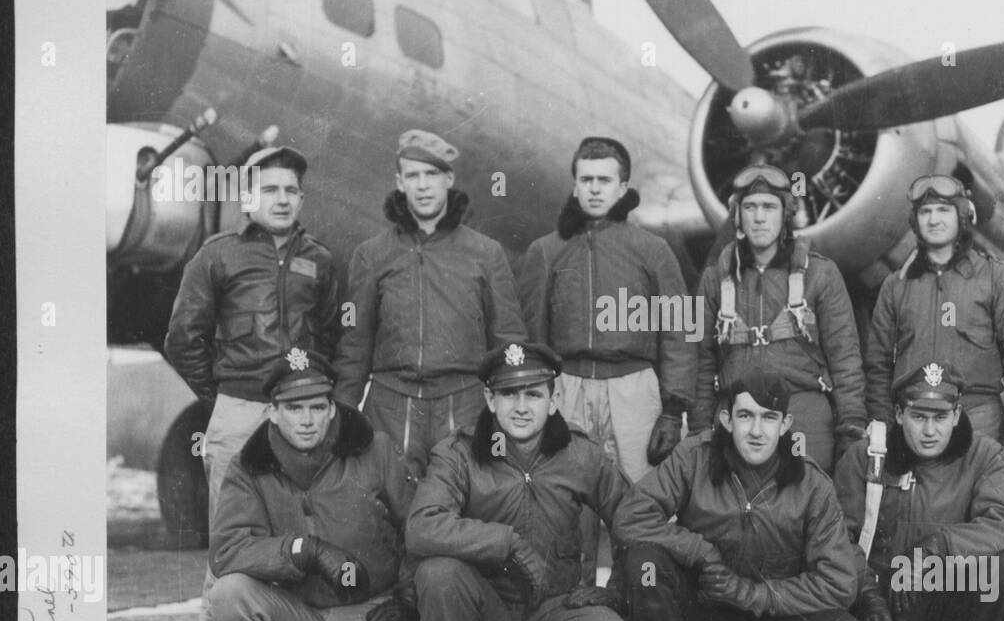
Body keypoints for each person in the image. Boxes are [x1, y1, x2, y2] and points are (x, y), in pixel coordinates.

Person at [163, 145, 343, 621]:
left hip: (305, 416)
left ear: (301, 198)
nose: (282, 199)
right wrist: (228, 401)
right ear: (247, 197)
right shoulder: (217, 257)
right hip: (241, 413)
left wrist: (314, 403)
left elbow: (334, 340)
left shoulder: (322, 259)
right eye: (270, 190)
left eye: (291, 190)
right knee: (230, 549)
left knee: (308, 535)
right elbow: (183, 337)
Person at [614, 370, 874, 621]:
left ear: (786, 425)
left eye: (769, 418)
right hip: (706, 605)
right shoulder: (695, 456)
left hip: (770, 617)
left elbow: (838, 581)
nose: (756, 430)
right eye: (746, 416)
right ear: (726, 419)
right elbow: (631, 518)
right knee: (644, 562)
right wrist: (700, 552)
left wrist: (755, 593)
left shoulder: (810, 484)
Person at [405, 342, 638, 621]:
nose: (521, 406)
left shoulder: (581, 454)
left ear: (553, 400)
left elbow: (635, 520)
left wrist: (616, 588)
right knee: (438, 573)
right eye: (509, 394)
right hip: (485, 617)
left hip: (555, 610)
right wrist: (503, 541)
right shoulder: (459, 454)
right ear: (489, 399)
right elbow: (421, 525)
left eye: (534, 393)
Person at [206, 349, 423, 621]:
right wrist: (302, 550)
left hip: (370, 612)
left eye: (316, 406)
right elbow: (227, 549)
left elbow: (419, 529)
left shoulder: (376, 450)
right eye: (293, 408)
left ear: (331, 407)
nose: (306, 419)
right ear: (272, 412)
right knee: (229, 594)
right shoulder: (248, 467)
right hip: (298, 616)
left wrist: (409, 600)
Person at [834, 361, 1004, 621]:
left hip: (944, 589)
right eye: (918, 416)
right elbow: (836, 537)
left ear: (957, 415)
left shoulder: (983, 455)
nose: (929, 430)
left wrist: (942, 544)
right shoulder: (866, 458)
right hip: (890, 601)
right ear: (897, 413)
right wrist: (867, 592)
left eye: (940, 417)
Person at [334, 129, 527, 477]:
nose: (423, 185)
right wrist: (345, 412)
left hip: (463, 402)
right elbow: (355, 343)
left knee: (466, 503)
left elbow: (509, 338)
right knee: (391, 507)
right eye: (413, 175)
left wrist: (512, 405)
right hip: (391, 405)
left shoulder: (485, 253)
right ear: (399, 181)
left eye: (432, 174)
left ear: (449, 178)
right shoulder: (371, 254)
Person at [517, 136, 695, 483]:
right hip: (567, 389)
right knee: (566, 499)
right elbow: (532, 334)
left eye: (604, 180)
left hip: (634, 391)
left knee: (643, 501)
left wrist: (674, 410)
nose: (595, 189)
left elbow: (681, 334)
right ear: (575, 187)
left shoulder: (653, 250)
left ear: (622, 187)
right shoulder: (545, 251)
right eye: (586, 180)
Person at [691, 164, 867, 472]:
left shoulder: (820, 274)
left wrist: (851, 425)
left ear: (785, 214)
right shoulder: (715, 280)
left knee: (805, 505)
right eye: (750, 207)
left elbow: (845, 359)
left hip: (803, 412)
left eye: (769, 207)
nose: (759, 217)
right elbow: (703, 364)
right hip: (737, 413)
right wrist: (700, 429)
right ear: (738, 216)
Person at [863, 173, 1004, 472]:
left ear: (962, 217)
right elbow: (878, 365)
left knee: (987, 515)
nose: (933, 220)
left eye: (943, 210)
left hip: (979, 421)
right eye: (925, 212)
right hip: (915, 426)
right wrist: (883, 426)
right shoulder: (895, 287)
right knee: (915, 516)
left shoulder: (999, 279)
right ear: (915, 221)